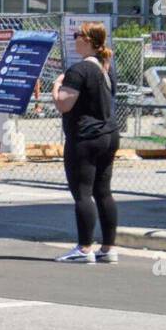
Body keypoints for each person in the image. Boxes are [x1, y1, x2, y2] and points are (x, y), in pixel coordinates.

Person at [51, 23, 121, 264]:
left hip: (86, 136)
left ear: (88, 40)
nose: (74, 40)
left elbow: (63, 104)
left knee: (82, 192)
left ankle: (84, 248)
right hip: (109, 133)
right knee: (103, 191)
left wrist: (56, 86)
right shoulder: (105, 67)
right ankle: (109, 247)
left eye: (77, 36)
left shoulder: (79, 70)